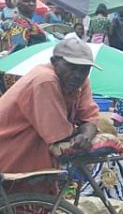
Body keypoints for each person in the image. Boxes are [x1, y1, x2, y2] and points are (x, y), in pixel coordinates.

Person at [0, 39, 100, 193]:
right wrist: (81, 132)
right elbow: (58, 134)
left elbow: (90, 117)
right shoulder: (45, 79)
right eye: (72, 67)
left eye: (84, 69)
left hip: (33, 156)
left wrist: (86, 133)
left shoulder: (81, 82)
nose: (78, 75)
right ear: (54, 62)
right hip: (11, 152)